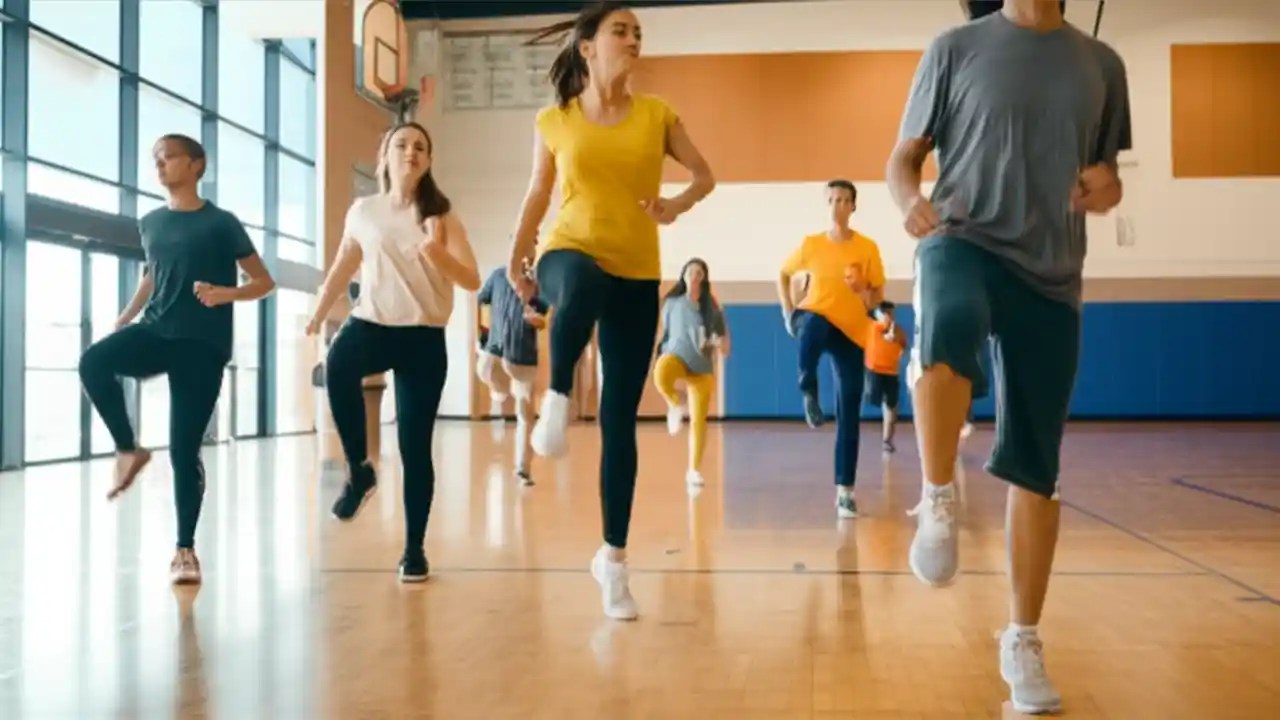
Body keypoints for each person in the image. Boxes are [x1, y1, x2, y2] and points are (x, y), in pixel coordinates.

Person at [888, 0, 1130, 713]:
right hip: (961, 237)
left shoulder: (1101, 64)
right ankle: (937, 499)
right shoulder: (955, 48)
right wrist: (907, 198)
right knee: (949, 321)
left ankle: (1022, 638)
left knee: (1037, 462)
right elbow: (905, 156)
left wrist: (1104, 189)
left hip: (1053, 272)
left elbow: (1109, 171)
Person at [506, 1, 715, 620]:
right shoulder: (555, 119)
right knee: (581, 282)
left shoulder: (656, 115)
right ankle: (558, 395)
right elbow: (538, 191)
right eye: (619, 30)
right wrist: (517, 256)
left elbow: (704, 175)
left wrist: (674, 207)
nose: (632, 39)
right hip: (566, 251)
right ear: (587, 45)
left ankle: (613, 561)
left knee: (621, 417)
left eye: (638, 32)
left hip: (637, 270)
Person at [78, 133, 276, 585]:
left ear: (196, 165)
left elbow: (264, 281)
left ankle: (184, 550)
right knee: (93, 363)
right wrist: (126, 316)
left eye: (169, 158)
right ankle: (129, 450)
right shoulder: (149, 222)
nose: (160, 166)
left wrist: (226, 293)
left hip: (202, 344)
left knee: (184, 450)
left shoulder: (222, 223)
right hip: (156, 331)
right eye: (156, 160)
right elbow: (152, 275)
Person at [306, 121, 480, 583]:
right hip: (373, 323)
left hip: (423, 336)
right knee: (337, 365)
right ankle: (359, 469)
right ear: (384, 155)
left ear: (428, 161)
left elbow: (471, 279)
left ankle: (414, 550)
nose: (411, 151)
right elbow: (344, 265)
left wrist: (434, 250)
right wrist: (319, 312)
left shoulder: (442, 214)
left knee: (414, 448)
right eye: (402, 144)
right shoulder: (363, 211)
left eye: (421, 146)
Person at [776, 180, 886, 519]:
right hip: (818, 318)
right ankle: (808, 387)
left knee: (849, 411)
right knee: (811, 322)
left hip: (852, 334)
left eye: (844, 200)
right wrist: (786, 311)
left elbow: (877, 299)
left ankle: (845, 492)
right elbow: (783, 272)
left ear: (853, 207)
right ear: (827, 205)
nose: (837, 205)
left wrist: (862, 288)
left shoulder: (867, 248)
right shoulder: (811, 244)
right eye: (832, 200)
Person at [652, 258, 730, 489]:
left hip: (701, 368)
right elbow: (665, 333)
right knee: (661, 373)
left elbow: (725, 347)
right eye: (690, 272)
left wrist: (718, 343)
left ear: (704, 279)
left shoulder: (711, 307)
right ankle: (675, 403)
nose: (694, 277)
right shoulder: (671, 303)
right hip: (676, 357)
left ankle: (693, 470)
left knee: (698, 421)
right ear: (683, 276)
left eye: (699, 273)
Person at [476, 263, 549, 486]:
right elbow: (481, 299)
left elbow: (543, 315)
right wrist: (481, 334)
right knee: (485, 368)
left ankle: (523, 469)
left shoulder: (540, 282)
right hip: (496, 348)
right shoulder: (498, 275)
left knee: (525, 414)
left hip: (522, 354)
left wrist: (535, 318)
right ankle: (498, 390)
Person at [863, 301, 908, 453]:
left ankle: (887, 440)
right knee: (870, 400)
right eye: (886, 313)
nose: (890, 316)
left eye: (892, 313)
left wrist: (895, 338)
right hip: (874, 371)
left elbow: (903, 345)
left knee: (891, 407)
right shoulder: (872, 326)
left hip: (891, 373)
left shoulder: (899, 331)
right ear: (880, 314)